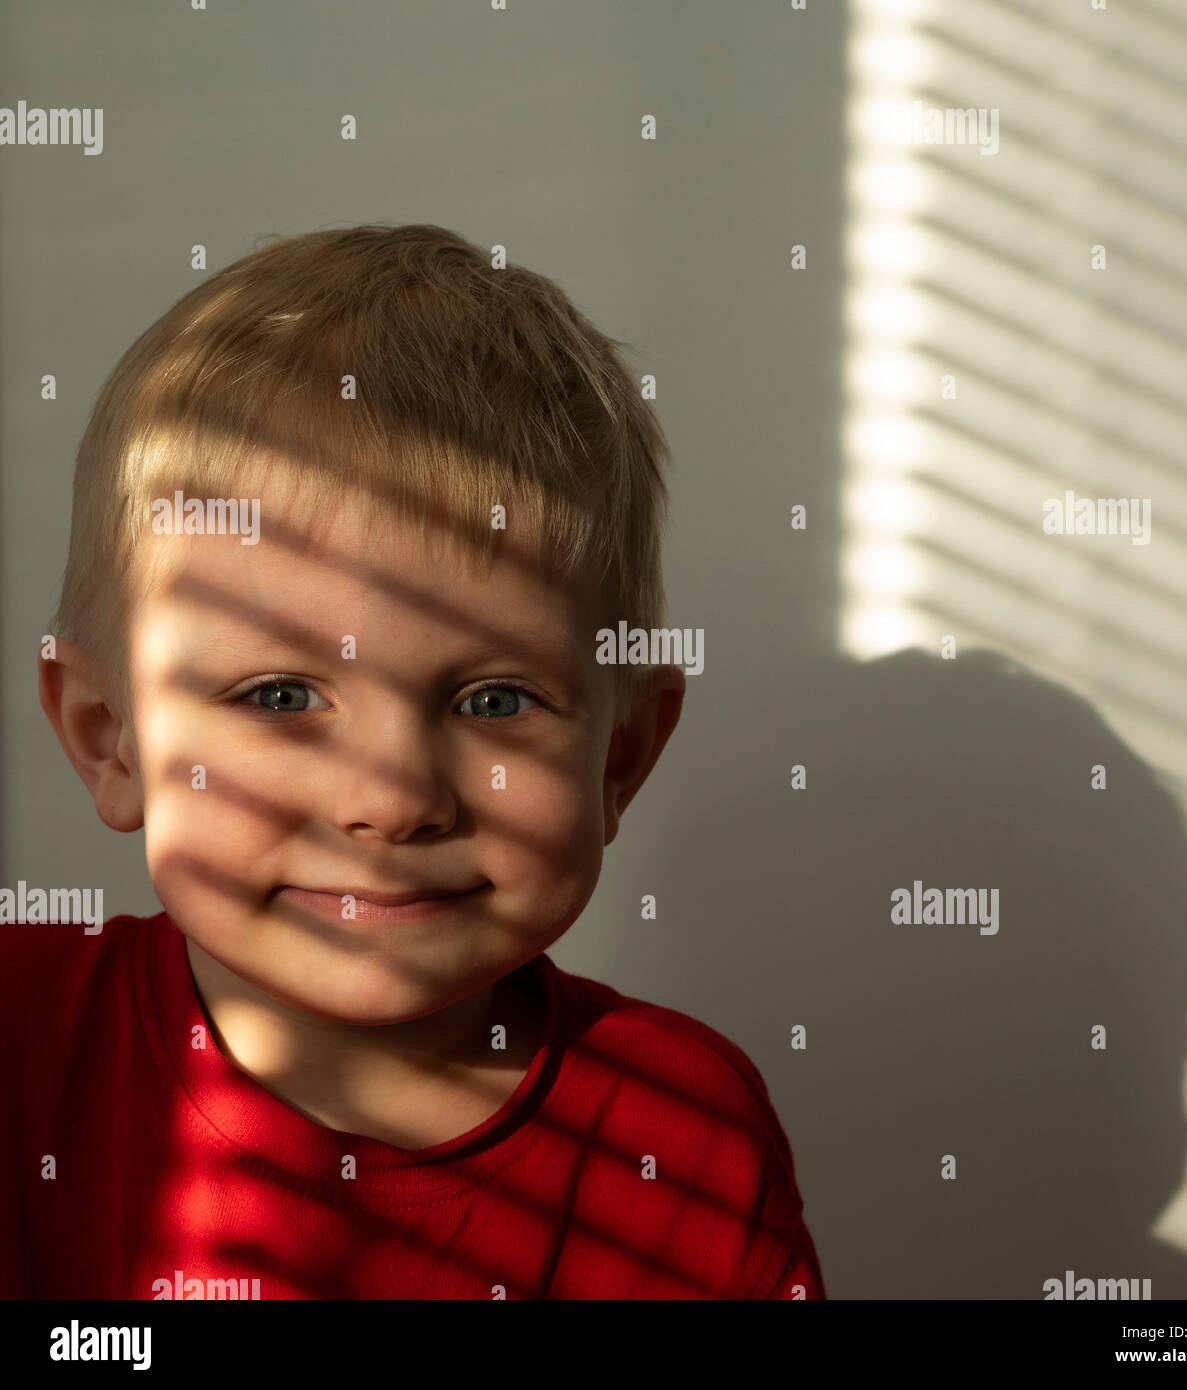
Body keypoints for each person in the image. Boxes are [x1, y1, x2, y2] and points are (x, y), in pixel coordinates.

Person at [4, 224, 824, 1300]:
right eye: (281, 696)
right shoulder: (20, 1042)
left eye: (494, 700)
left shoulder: (686, 1137)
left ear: (618, 756)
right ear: (111, 738)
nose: (392, 801)